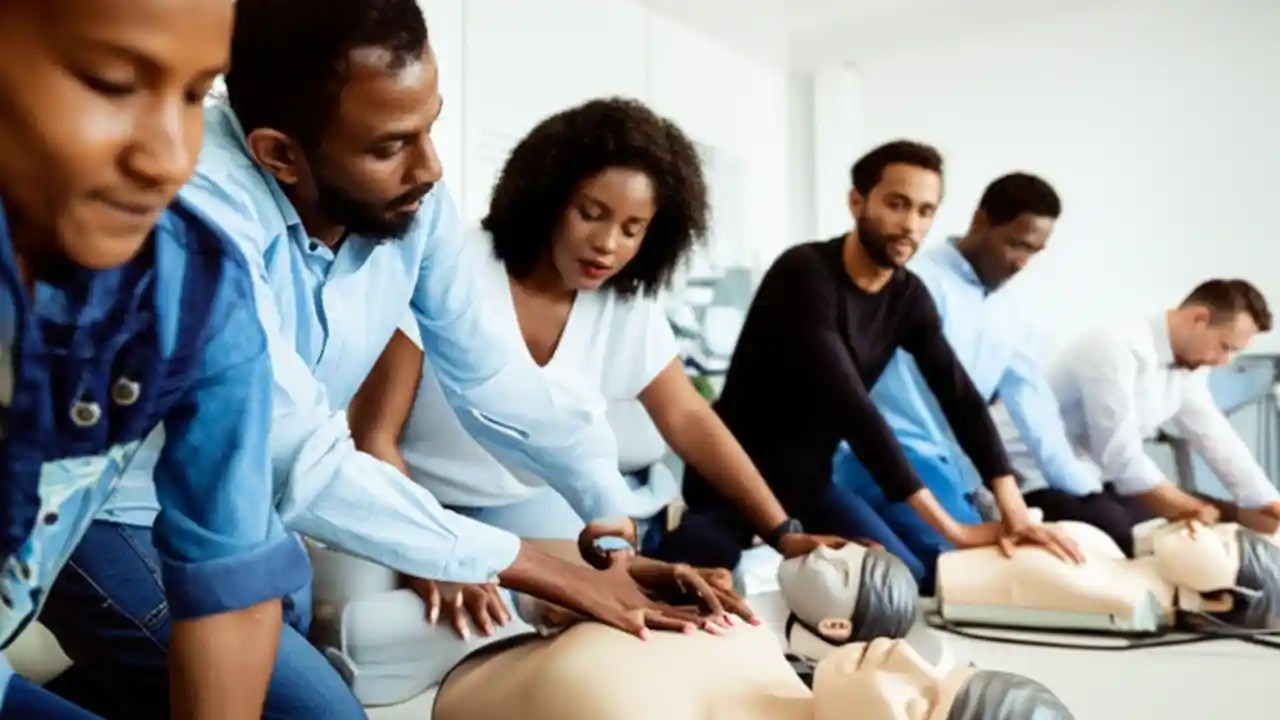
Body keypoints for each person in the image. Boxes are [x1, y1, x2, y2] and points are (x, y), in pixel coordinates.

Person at [40, 2, 702, 717]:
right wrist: (549, 572)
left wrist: (605, 524)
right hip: (112, 510)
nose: (432, 166)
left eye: (431, 125)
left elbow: (491, 373)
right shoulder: (195, 213)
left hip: (248, 514)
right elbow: (299, 456)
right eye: (390, 146)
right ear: (280, 154)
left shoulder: (414, 199)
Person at [347, 96, 847, 628]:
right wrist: (435, 550)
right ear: (548, 198)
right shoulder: (455, 266)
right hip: (413, 492)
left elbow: (689, 418)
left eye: (633, 229)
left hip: (524, 505)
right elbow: (374, 436)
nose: (607, 244)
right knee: (392, 616)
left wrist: (782, 531)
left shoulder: (625, 307)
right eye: (591, 214)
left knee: (609, 606)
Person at [0, 0, 309, 717]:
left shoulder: (194, 291)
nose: (170, 158)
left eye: (198, 94)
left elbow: (227, 587)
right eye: (111, 82)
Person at [658, 141, 1081, 590]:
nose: (910, 225)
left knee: (901, 580)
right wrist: (955, 530)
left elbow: (961, 398)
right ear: (857, 201)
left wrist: (1011, 506)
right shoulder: (803, 272)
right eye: (897, 205)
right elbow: (854, 410)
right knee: (701, 570)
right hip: (733, 482)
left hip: (807, 486)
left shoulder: (908, 297)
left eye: (925, 211)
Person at [430, 547, 1074, 720]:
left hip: (464, 654)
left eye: (922, 704)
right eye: (940, 670)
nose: (903, 655)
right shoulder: (763, 647)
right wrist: (604, 574)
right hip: (517, 610)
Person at [830, 173, 1097, 588]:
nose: (1021, 262)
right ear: (980, 221)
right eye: (1016, 244)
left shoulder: (1012, 311)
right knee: (957, 571)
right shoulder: (913, 281)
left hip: (957, 474)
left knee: (1031, 559)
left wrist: (1092, 492)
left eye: (1034, 252)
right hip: (890, 459)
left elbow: (1034, 406)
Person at [1014, 279, 1280, 556]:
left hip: (1094, 476)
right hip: (1037, 476)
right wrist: (1192, 509)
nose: (1224, 361)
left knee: (1218, 513)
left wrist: (1266, 500)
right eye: (1225, 347)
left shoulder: (1190, 365)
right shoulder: (1116, 346)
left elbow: (1214, 436)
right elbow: (1120, 455)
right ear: (1199, 318)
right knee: (1125, 528)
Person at [935, 518, 1280, 633]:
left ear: (1219, 601)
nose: (1199, 527)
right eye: (1218, 530)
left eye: (1221, 546)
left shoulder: (1117, 597)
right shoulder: (1110, 558)